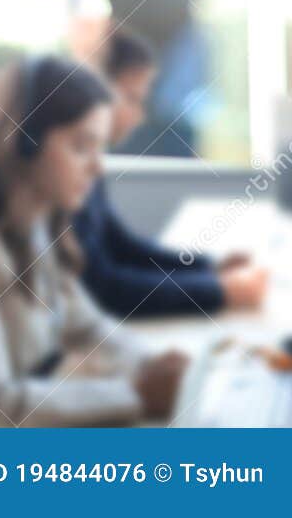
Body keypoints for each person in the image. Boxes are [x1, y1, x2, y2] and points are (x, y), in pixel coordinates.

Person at [0, 56, 189, 427]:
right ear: (24, 144)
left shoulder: (36, 226)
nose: (97, 168)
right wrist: (135, 395)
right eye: (82, 146)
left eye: (100, 148)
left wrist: (152, 365)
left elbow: (88, 327)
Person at [73, 31, 269, 317]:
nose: (139, 115)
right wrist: (219, 290)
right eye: (132, 98)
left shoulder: (89, 163)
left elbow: (122, 247)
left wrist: (208, 268)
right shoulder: (65, 171)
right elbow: (106, 288)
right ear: (96, 87)